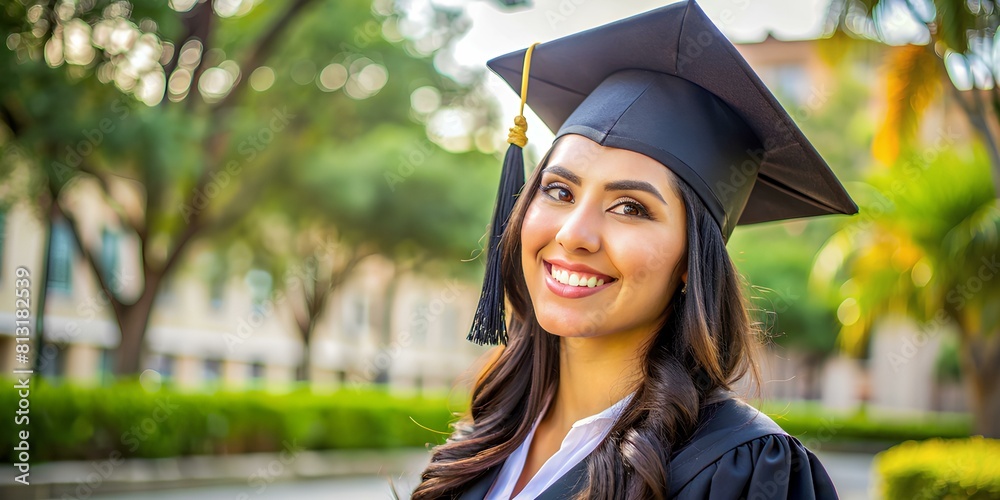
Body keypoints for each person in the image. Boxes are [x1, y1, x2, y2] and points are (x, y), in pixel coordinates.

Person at [412, 1, 857, 498]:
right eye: (559, 191)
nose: (575, 233)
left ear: (692, 261)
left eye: (630, 207)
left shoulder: (741, 470)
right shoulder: (488, 435)